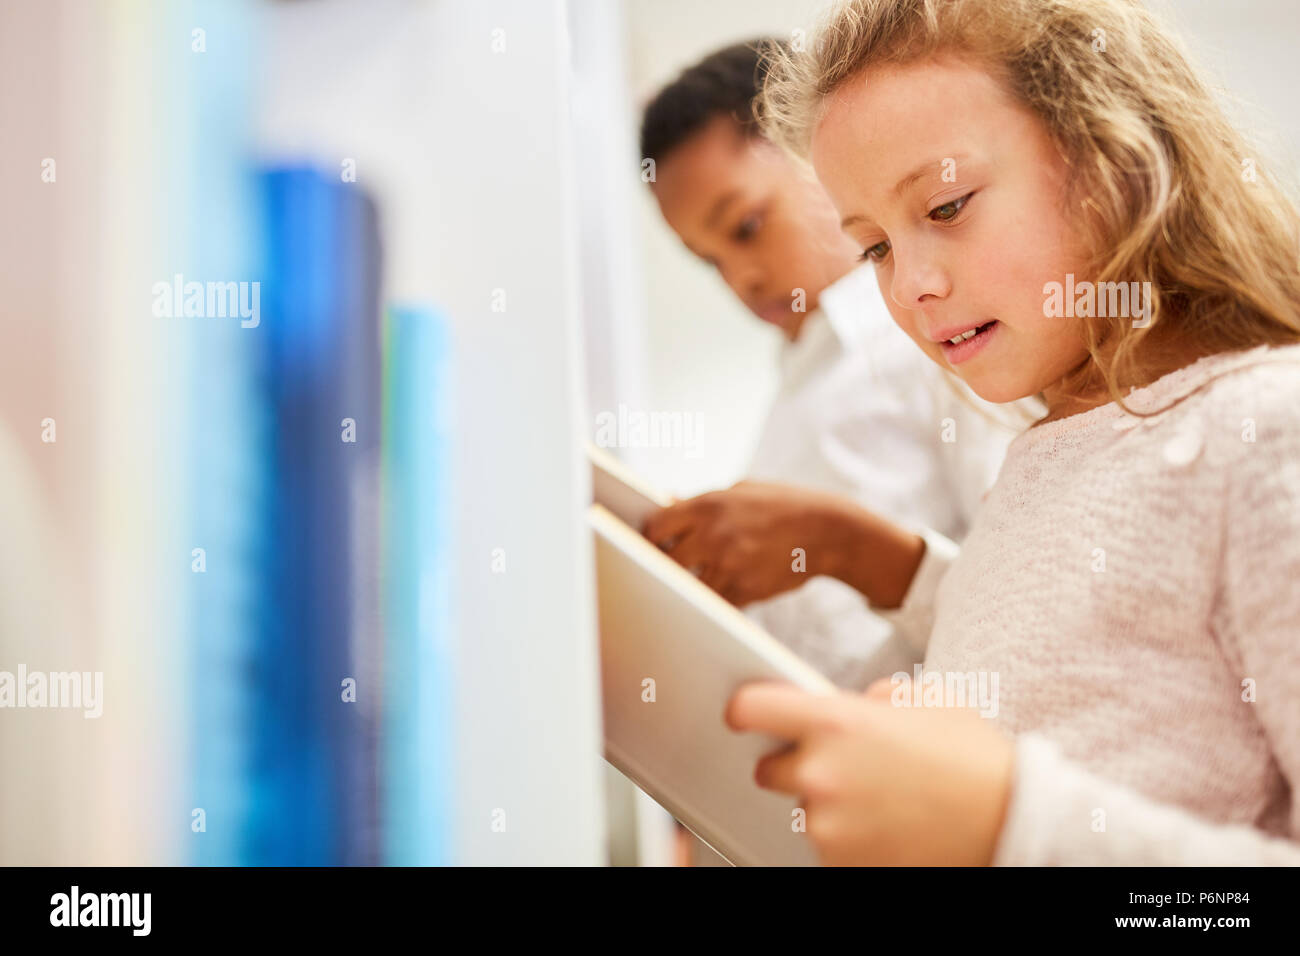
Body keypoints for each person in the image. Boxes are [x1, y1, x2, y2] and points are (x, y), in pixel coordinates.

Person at [721, 0, 1300, 865]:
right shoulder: (1051, 443)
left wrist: (1006, 822)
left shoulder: (1264, 437)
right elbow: (1084, 645)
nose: (910, 284)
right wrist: (881, 560)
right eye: (874, 247)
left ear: (1117, 160)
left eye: (947, 206)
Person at [639, 40, 1036, 690]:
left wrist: (845, 547)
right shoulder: (798, 383)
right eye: (708, 260)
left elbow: (1031, 608)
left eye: (744, 227)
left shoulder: (939, 331)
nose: (740, 276)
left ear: (816, 160)